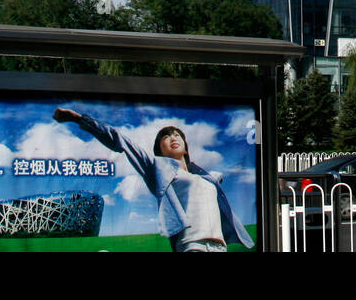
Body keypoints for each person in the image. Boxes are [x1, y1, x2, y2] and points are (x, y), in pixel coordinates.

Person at [53, 107, 254, 252]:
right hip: (193, 247)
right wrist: (79, 119)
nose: (173, 137)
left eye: (177, 135)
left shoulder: (206, 177)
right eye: (166, 137)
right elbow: (121, 142)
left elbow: (221, 177)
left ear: (185, 145)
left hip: (220, 248)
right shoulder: (161, 172)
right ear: (159, 150)